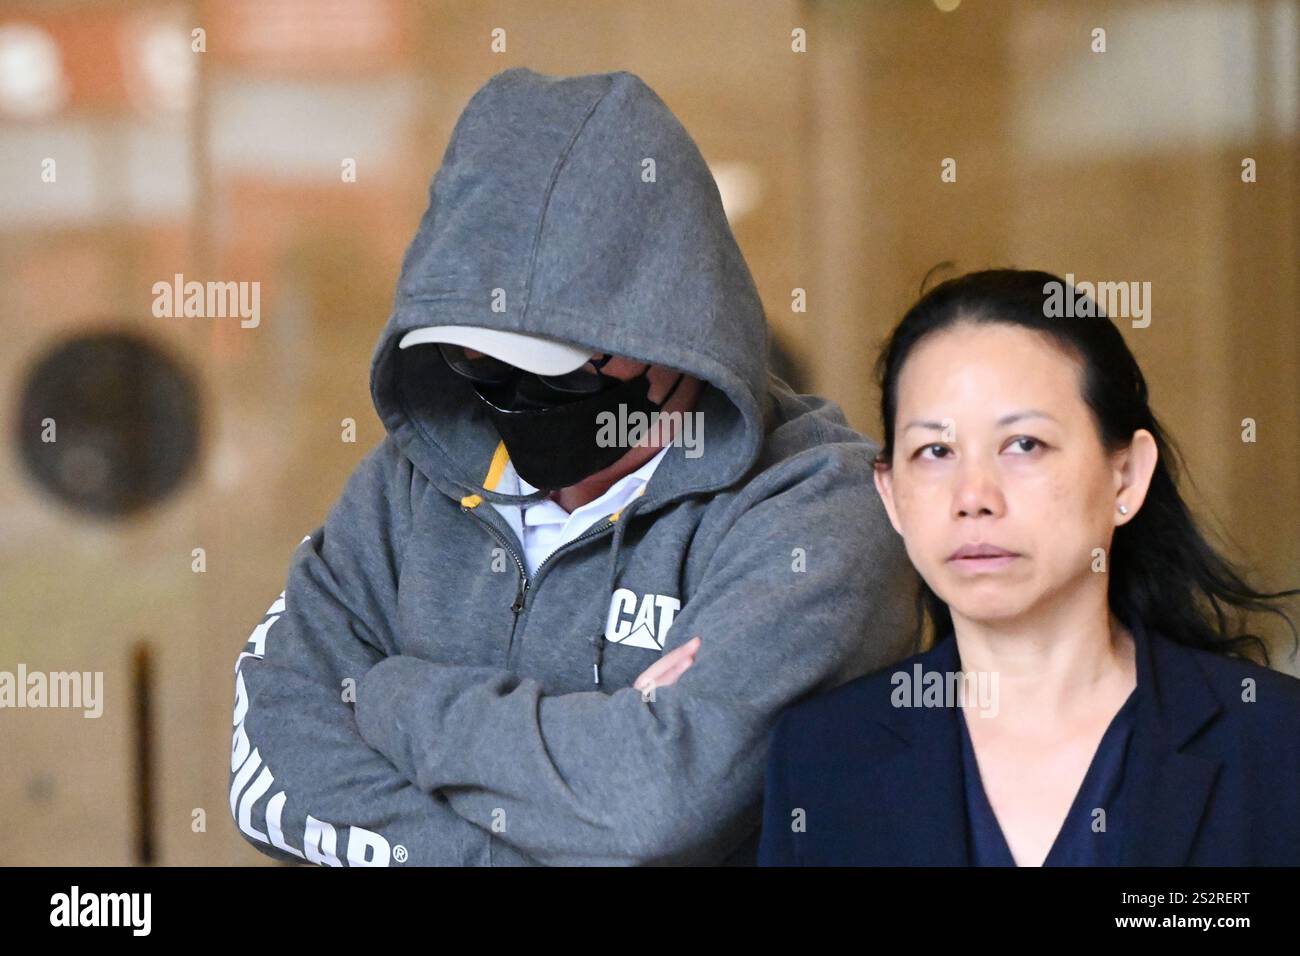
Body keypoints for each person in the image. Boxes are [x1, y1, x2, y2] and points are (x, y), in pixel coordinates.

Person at [228, 67, 919, 866]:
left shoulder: (813, 514)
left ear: (670, 336)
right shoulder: (409, 486)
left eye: (552, 371)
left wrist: (390, 694)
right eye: (475, 362)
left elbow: (652, 811)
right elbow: (266, 769)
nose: (509, 396)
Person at [757, 268, 1300, 866]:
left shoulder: (1275, 742)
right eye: (934, 452)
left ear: (1127, 475)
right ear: (889, 494)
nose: (974, 495)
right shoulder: (823, 757)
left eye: (1024, 445)